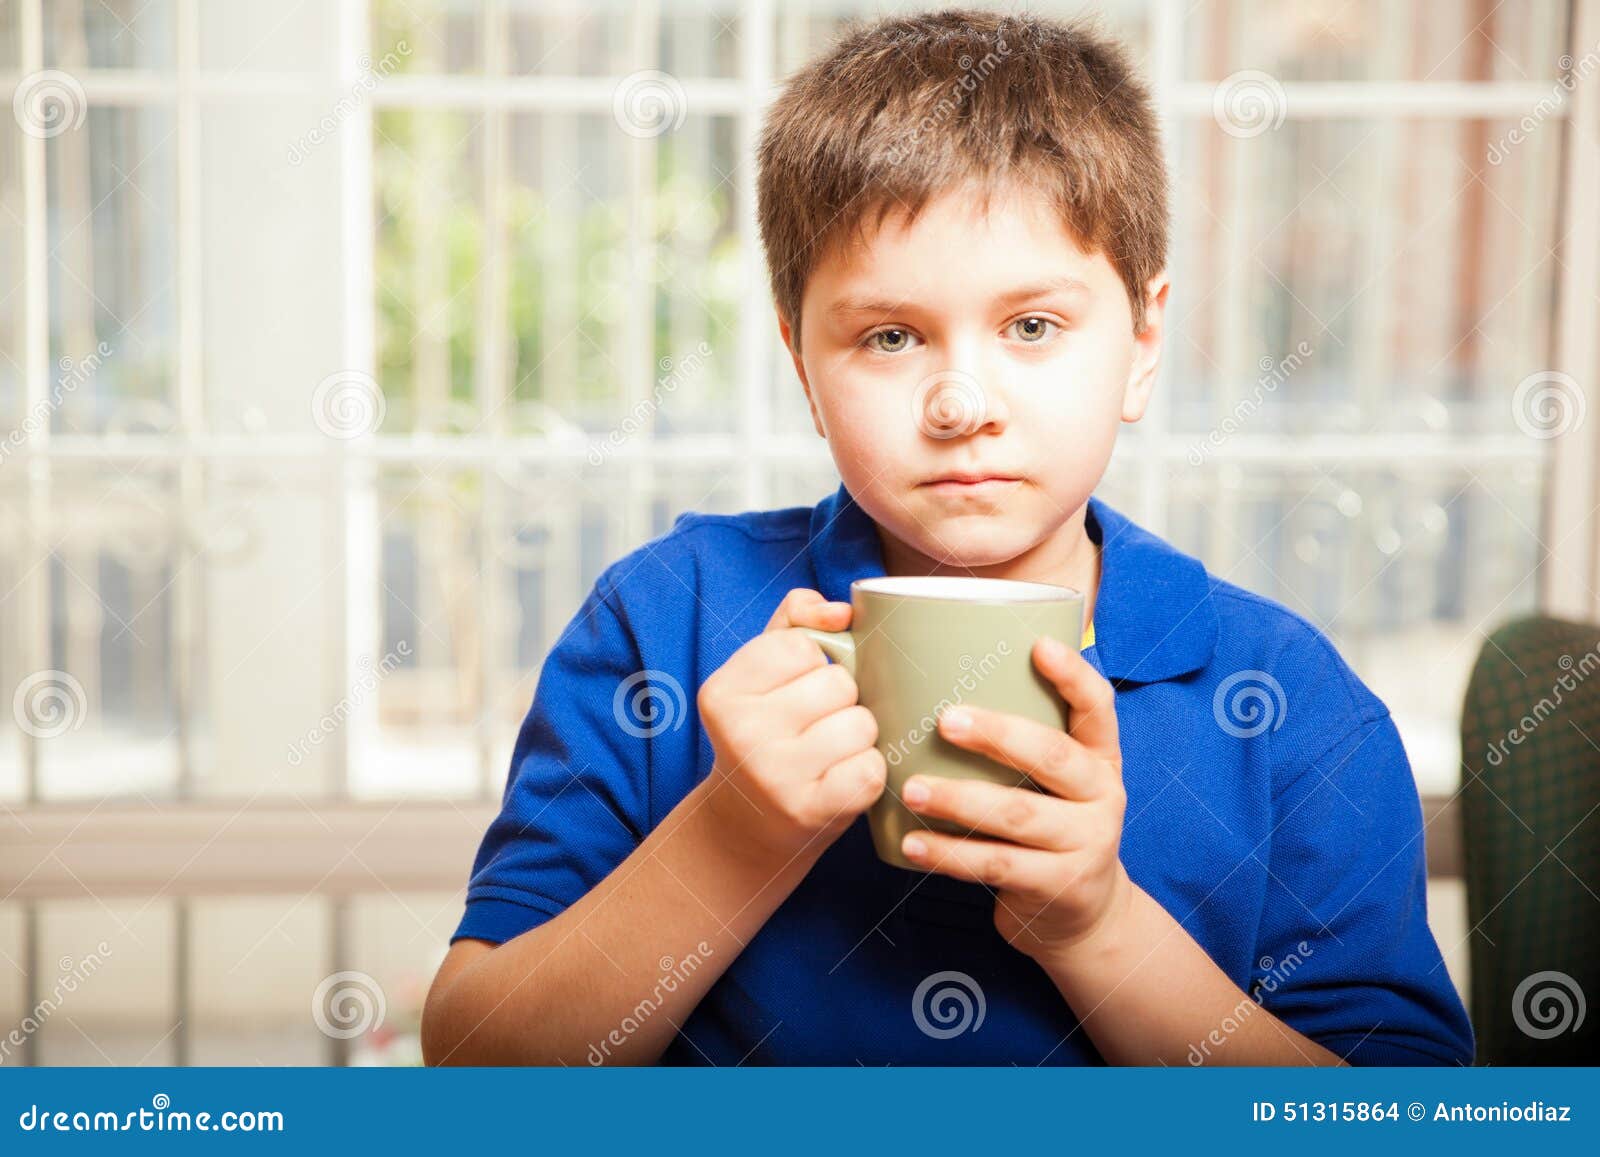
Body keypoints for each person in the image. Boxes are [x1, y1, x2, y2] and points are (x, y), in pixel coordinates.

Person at [421, 8, 1474, 1066]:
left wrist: (1098, 927)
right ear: (803, 368)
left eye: (1031, 326)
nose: (962, 401)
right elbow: (475, 1066)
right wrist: (732, 832)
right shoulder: (664, 621)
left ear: (1143, 342)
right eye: (889, 336)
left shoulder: (1290, 702)